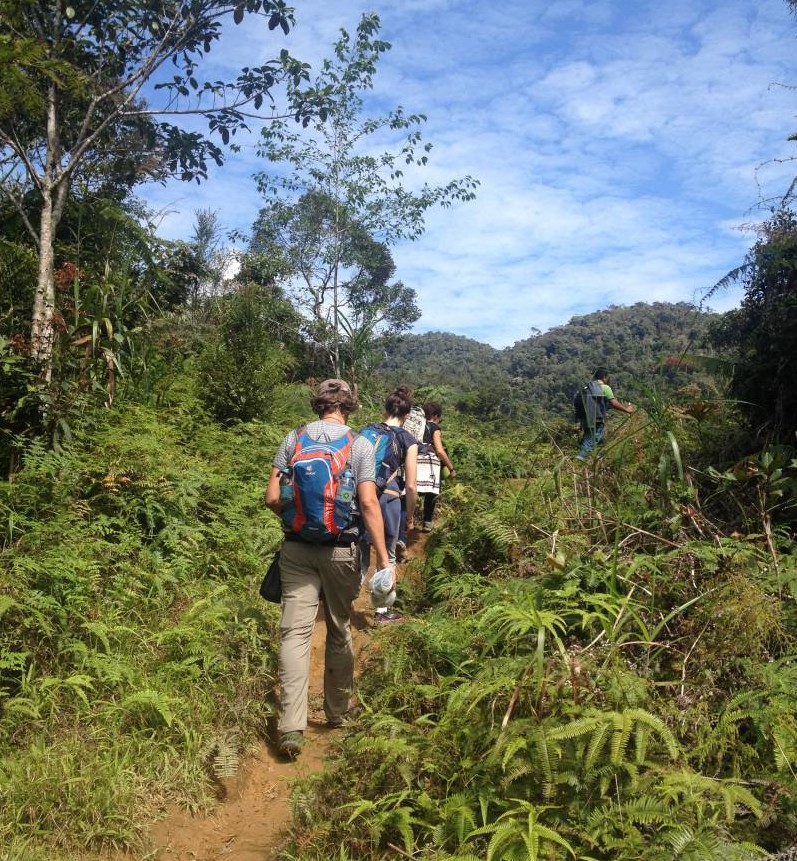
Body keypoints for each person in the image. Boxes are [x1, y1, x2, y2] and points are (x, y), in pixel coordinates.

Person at [265, 379, 391, 759]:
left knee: (293, 635)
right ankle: (337, 713)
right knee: (339, 627)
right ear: (349, 406)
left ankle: (290, 727)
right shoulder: (360, 444)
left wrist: (297, 519)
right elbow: (368, 504)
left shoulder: (293, 439)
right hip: (342, 551)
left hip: (297, 550)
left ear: (317, 404)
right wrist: (384, 558)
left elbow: (272, 496)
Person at [359, 385, 418, 623]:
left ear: (385, 409)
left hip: (362, 496)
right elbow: (412, 486)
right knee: (388, 556)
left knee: (360, 552)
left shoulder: (366, 431)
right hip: (390, 500)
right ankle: (382, 612)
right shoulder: (408, 439)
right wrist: (410, 516)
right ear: (407, 414)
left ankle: (343, 602)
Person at [576, 367, 635, 460]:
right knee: (592, 440)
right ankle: (579, 458)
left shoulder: (587, 388)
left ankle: (597, 460)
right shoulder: (605, 387)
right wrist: (627, 410)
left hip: (585, 418)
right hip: (596, 419)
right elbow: (614, 403)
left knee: (596, 440)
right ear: (604, 377)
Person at [416, 402, 456, 531]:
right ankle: (427, 522)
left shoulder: (417, 426)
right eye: (440, 418)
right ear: (435, 416)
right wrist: (451, 468)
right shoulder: (434, 427)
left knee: (410, 491)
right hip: (429, 463)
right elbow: (439, 450)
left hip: (413, 459)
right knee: (431, 493)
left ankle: (404, 522)